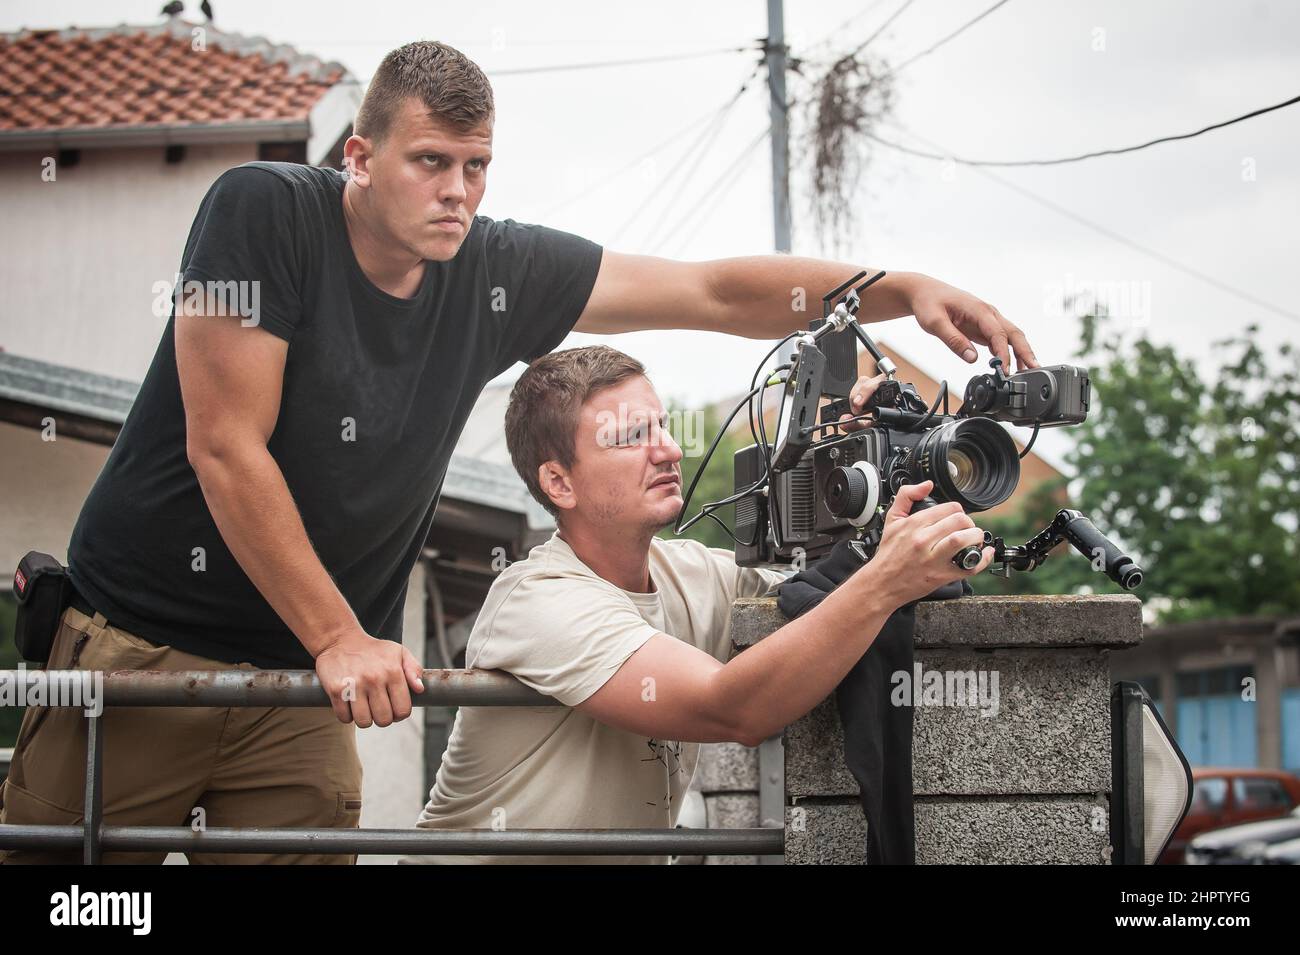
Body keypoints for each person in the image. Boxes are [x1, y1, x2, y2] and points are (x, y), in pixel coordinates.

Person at [0, 39, 1034, 865]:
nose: (458, 190)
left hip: (304, 682)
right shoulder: (262, 212)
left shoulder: (489, 267)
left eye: (476, 166)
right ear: (359, 159)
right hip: (144, 646)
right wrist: (339, 637)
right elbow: (225, 446)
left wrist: (893, 288)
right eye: (431, 163)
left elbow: (711, 292)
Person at [407, 345, 993, 864]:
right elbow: (732, 710)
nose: (665, 450)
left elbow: (820, 604)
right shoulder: (535, 598)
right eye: (630, 436)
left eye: (662, 427)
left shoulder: (689, 571)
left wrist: (852, 459)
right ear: (559, 483)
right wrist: (886, 581)